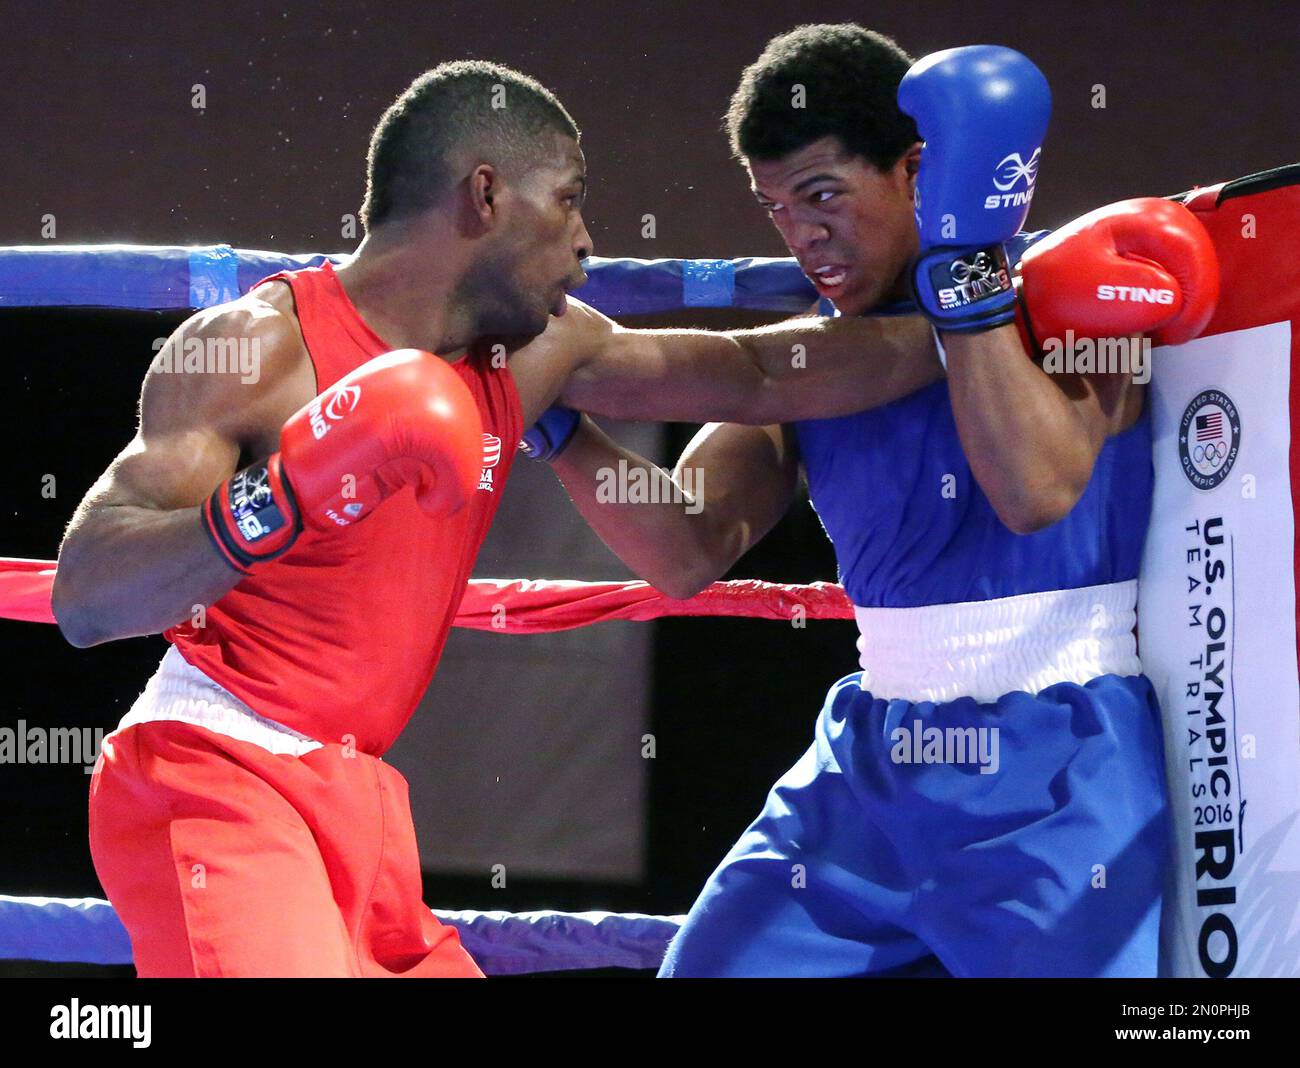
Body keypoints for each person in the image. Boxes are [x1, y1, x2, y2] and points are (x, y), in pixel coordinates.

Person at [52, 58, 1034, 978]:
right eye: (566, 199)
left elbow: (757, 373)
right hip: (211, 774)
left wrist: (987, 302)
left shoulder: (535, 352)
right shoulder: (259, 349)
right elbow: (88, 597)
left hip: (354, 798)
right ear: (485, 196)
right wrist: (288, 492)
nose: (586, 240)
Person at [524, 26, 1218, 976]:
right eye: (776, 209)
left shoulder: (1068, 299)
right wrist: (559, 429)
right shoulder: (819, 359)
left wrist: (968, 281)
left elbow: (1034, 491)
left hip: (1055, 766)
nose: (804, 237)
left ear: (918, 170)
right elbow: (683, 549)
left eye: (823, 196)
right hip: (874, 764)